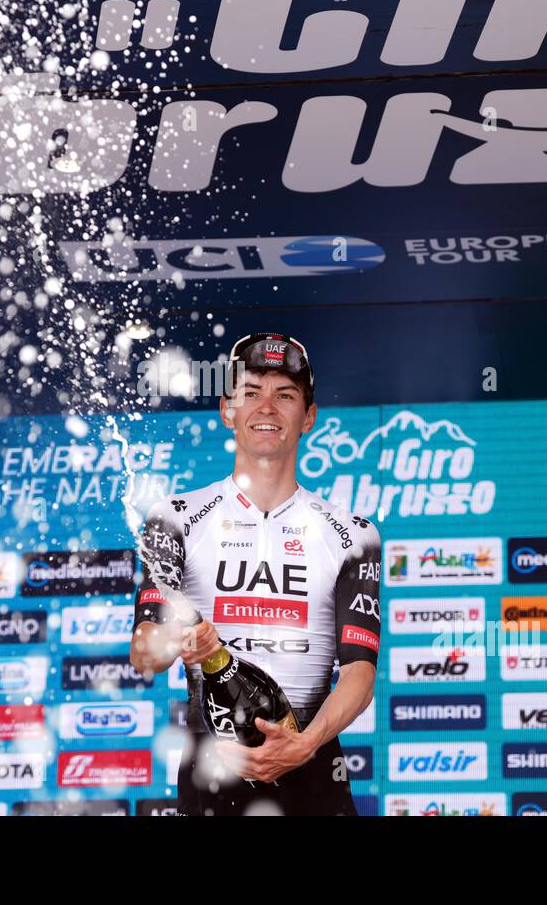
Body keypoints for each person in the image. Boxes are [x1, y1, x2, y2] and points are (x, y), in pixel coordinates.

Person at [129, 332, 381, 815]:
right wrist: (177, 643)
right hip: (213, 765)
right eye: (251, 393)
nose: (266, 408)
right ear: (227, 410)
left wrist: (305, 744)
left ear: (308, 417)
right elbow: (143, 654)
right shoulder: (174, 518)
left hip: (313, 761)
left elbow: (359, 674)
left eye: (285, 395)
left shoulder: (354, 534)